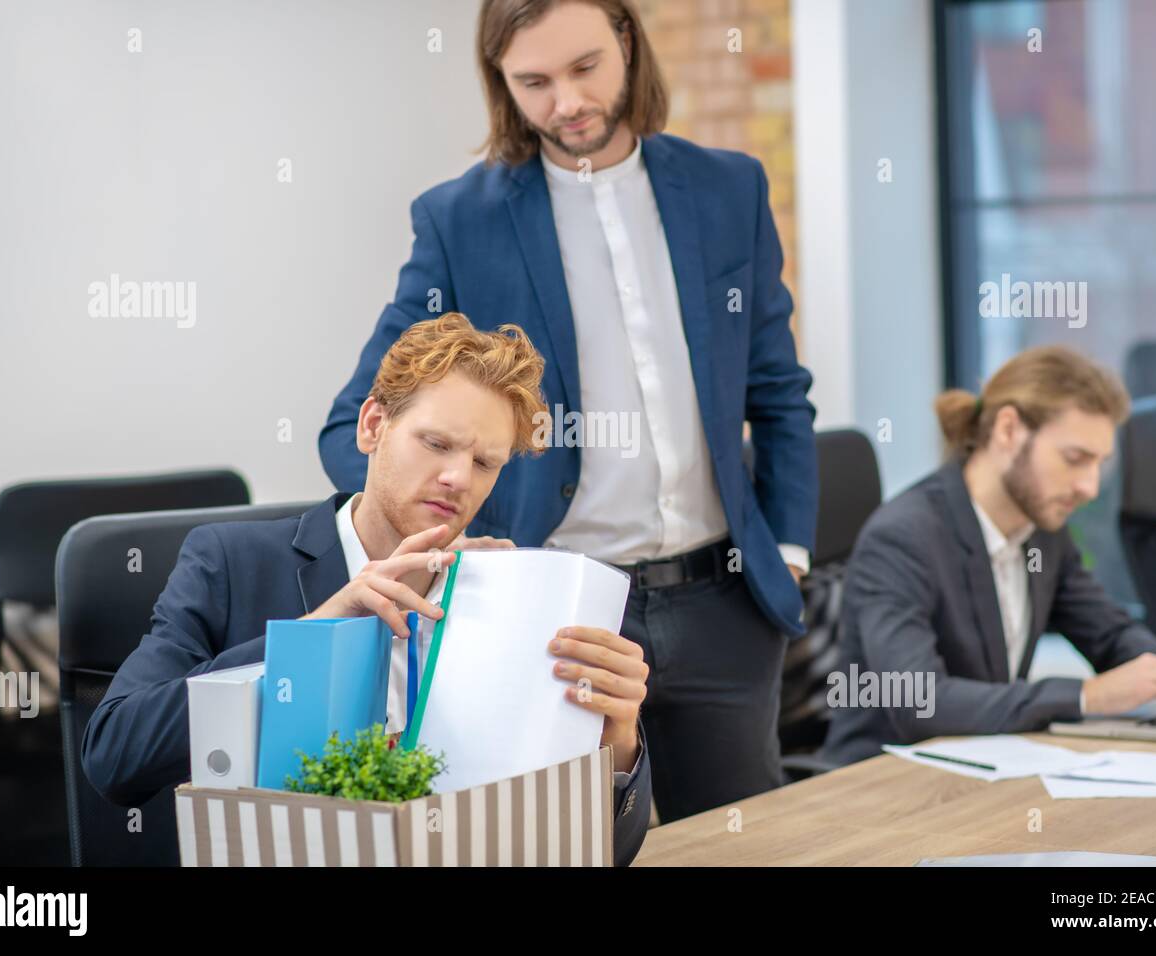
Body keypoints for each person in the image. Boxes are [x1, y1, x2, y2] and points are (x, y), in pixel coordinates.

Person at [319, 0, 817, 821]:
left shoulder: (730, 189)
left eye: (584, 68)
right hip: (552, 613)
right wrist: (452, 531)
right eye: (535, 82)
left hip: (726, 603)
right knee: (567, 843)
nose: (567, 103)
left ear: (627, 43)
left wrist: (790, 551)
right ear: (502, 84)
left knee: (742, 845)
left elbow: (777, 390)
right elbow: (353, 426)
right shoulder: (461, 220)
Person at [83, 313, 653, 865]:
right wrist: (323, 628)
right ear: (372, 426)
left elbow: (608, 850)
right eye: (436, 444)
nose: (458, 478)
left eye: (484, 462)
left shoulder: (514, 599)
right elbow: (113, 755)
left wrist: (616, 736)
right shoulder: (229, 563)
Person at [821, 346, 1156, 766]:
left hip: (981, 769)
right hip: (880, 784)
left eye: (1099, 464)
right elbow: (919, 702)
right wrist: (1087, 695)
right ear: (1007, 430)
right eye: (1075, 459)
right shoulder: (903, 537)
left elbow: (1109, 635)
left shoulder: (1041, 529)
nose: (1089, 487)